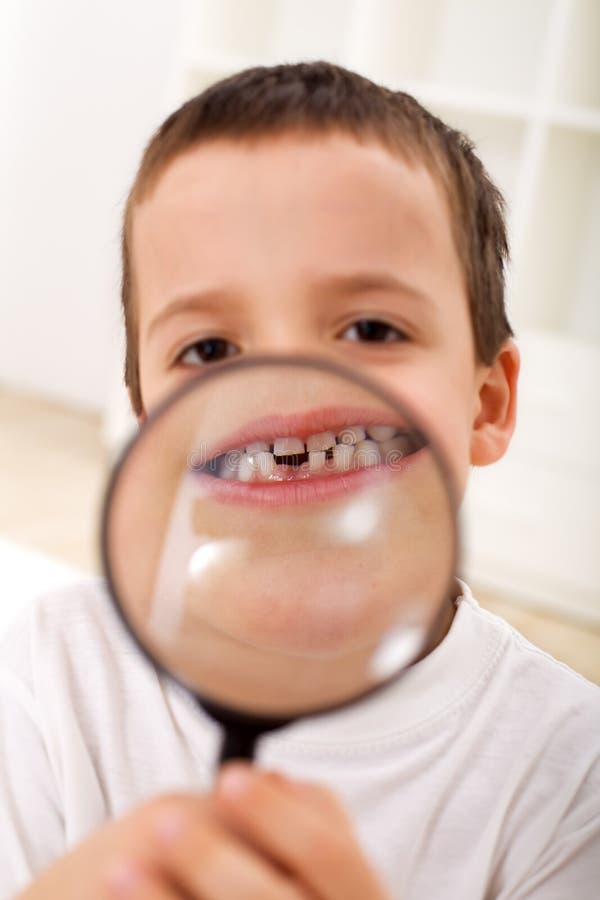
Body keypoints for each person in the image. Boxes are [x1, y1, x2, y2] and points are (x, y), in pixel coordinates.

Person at [2, 62, 598, 900]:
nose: (285, 387)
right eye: (209, 350)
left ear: (487, 403)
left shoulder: (573, 779)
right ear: (149, 430)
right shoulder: (48, 672)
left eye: (370, 327)